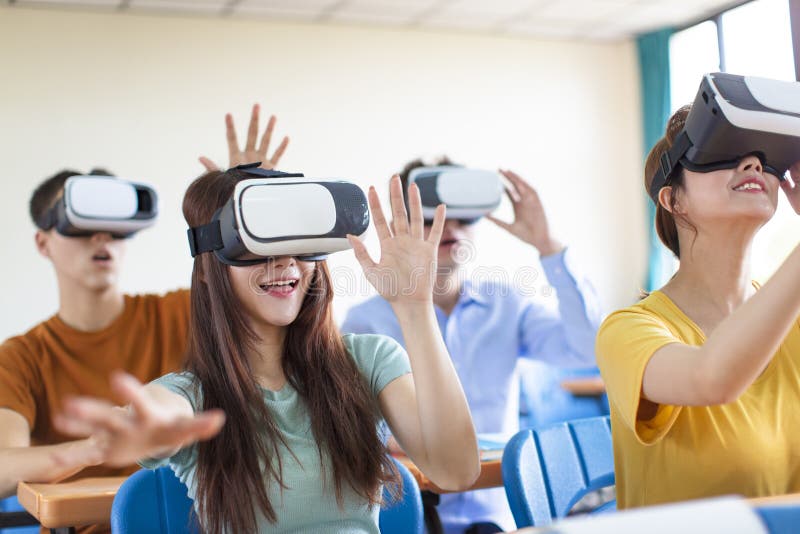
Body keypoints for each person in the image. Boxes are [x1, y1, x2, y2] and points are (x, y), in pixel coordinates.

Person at [50, 170, 480, 533]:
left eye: (297, 242)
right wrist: (141, 427)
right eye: (257, 245)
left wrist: (415, 308)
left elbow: (456, 470)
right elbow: (162, 412)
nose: (284, 262)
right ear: (208, 269)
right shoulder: (193, 395)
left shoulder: (368, 361)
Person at [0, 104, 287, 532]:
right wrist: (98, 448)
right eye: (79, 225)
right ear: (43, 243)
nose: (101, 238)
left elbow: (265, 300)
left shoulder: (178, 312)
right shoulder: (21, 357)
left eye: (114, 226)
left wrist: (242, 209)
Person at [342, 158, 602, 533]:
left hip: (500, 513)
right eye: (431, 216)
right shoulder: (365, 324)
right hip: (406, 517)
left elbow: (588, 348)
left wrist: (547, 246)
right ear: (404, 225)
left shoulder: (507, 304)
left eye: (464, 216)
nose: (451, 226)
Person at [596, 104, 800, 509]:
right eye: (721, 152)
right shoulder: (626, 331)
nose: (752, 164)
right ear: (673, 200)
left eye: (763, 159)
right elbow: (712, 379)